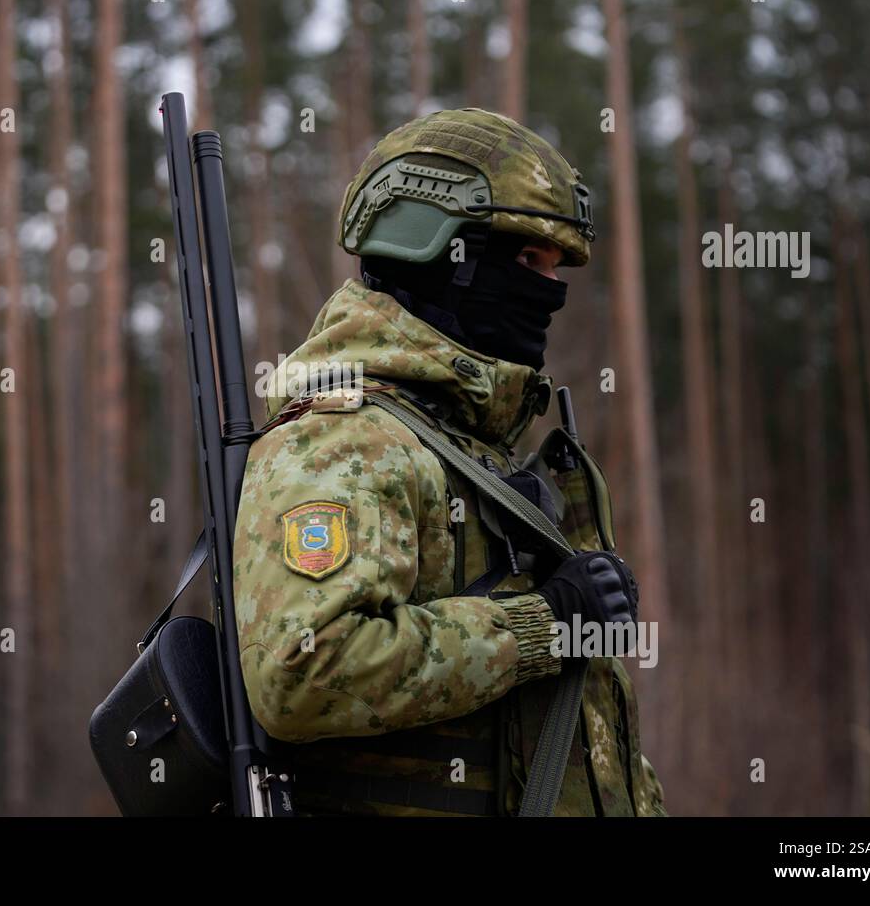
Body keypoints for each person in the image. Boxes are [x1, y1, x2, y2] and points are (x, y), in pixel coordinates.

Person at [232, 108, 667, 816]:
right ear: (436, 252)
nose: (549, 292)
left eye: (557, 268)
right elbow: (306, 672)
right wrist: (543, 625)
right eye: (528, 261)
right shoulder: (345, 442)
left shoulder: (474, 449)